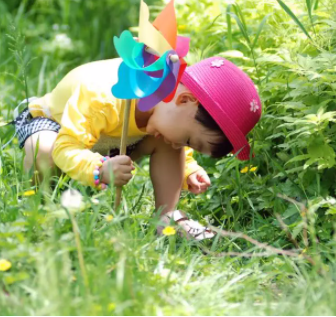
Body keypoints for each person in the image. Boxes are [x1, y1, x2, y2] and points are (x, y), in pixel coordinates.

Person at [14, 56, 261, 240]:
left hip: (109, 140)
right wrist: (98, 170)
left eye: (189, 145)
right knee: (43, 150)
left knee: (167, 139)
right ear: (184, 100)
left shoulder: (167, 113)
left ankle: (166, 216)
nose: (181, 145)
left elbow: (175, 137)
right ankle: (37, 209)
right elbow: (65, 146)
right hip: (57, 127)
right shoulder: (103, 97)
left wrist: (188, 169)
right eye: (187, 139)